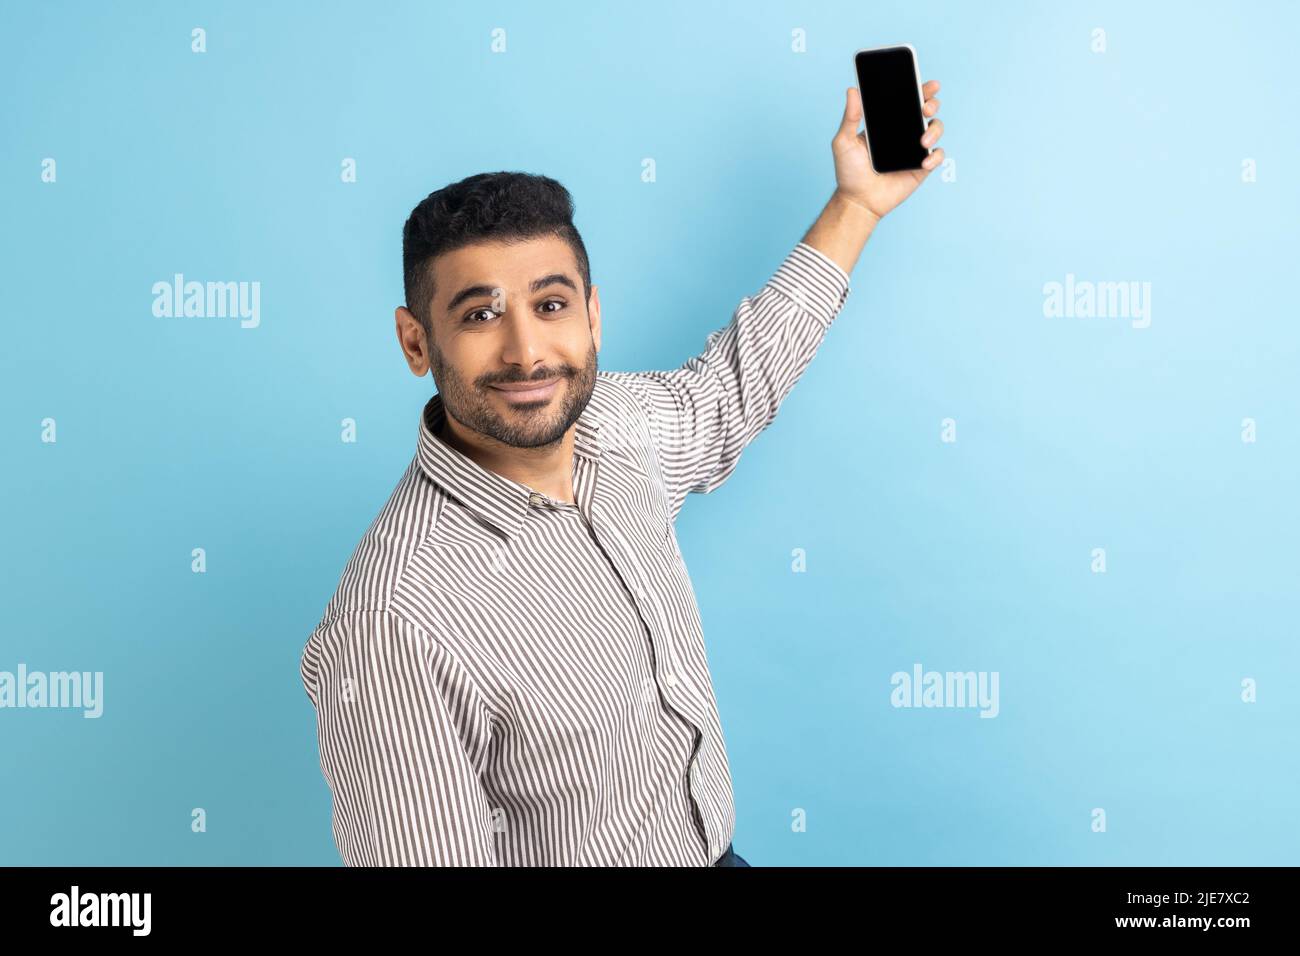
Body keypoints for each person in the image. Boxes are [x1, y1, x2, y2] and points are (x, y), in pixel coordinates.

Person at [300, 83, 945, 866]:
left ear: (593, 315)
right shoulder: (392, 624)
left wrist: (857, 207)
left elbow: (728, 390)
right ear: (414, 342)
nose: (526, 352)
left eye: (550, 304)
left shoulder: (616, 427)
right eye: (478, 315)